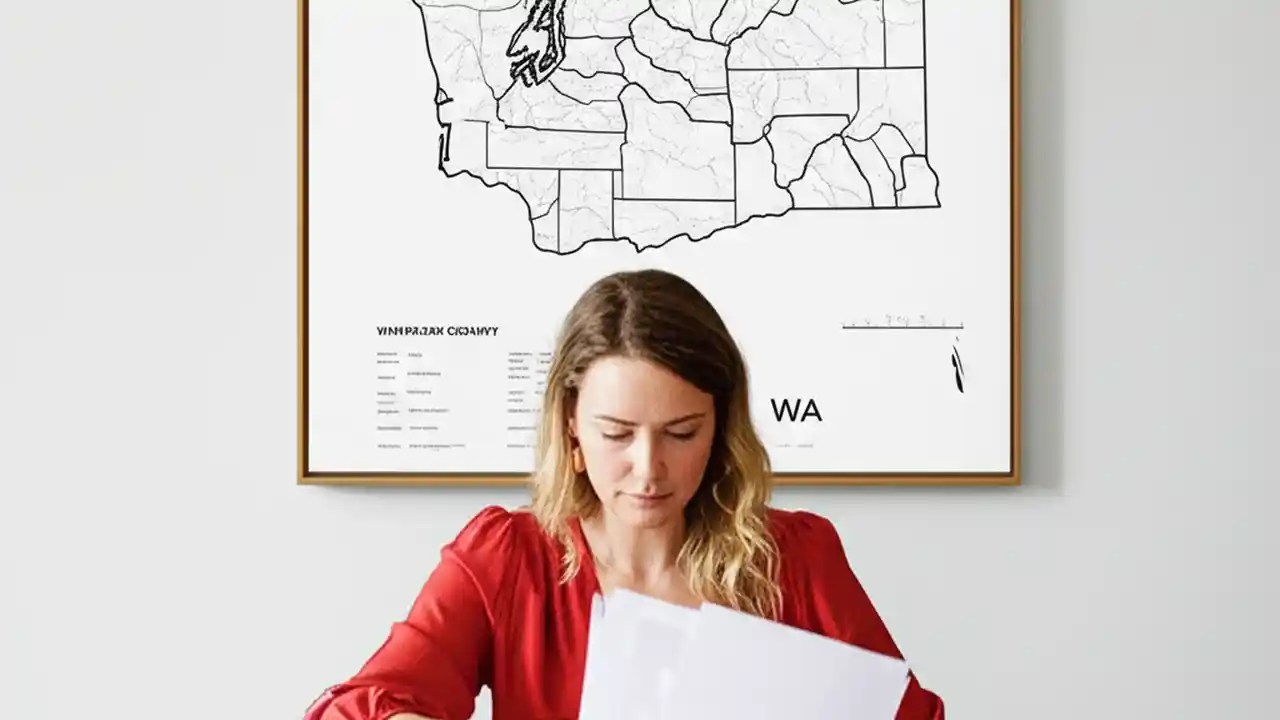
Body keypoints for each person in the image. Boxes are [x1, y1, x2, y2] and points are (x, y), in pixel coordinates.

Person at [303, 269, 944, 720]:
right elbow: (353, 708)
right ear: (571, 426)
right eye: (616, 434)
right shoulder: (505, 558)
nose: (648, 469)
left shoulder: (796, 558)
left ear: (721, 429)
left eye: (681, 433)